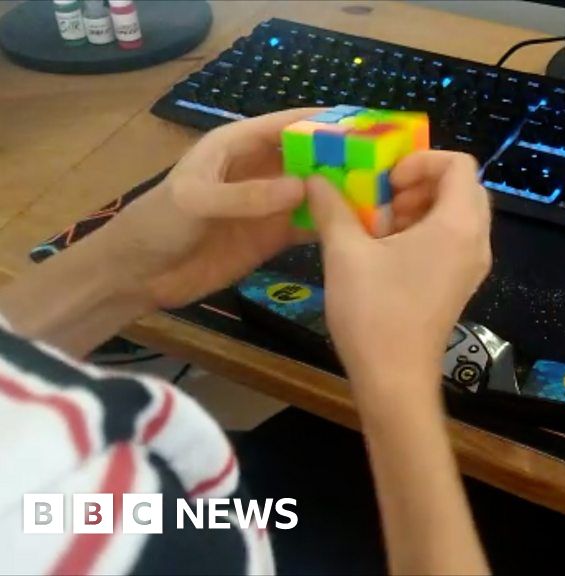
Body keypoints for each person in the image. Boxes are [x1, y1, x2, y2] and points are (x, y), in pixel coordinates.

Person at [0, 109, 491, 575]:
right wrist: (398, 381)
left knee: (308, 463)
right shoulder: (52, 523)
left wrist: (121, 273)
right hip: (161, 519)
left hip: (167, 500)